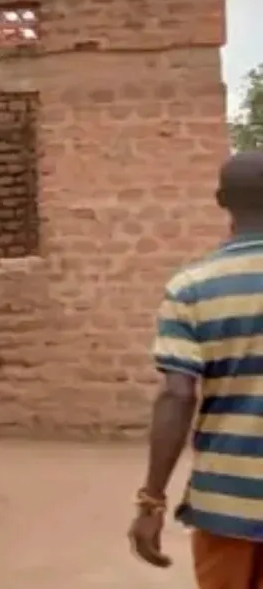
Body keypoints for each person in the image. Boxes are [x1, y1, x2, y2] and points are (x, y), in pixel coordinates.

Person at [131, 151, 263, 588]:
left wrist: (151, 501)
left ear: (221, 200)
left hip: (226, 505)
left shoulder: (192, 287)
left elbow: (178, 394)